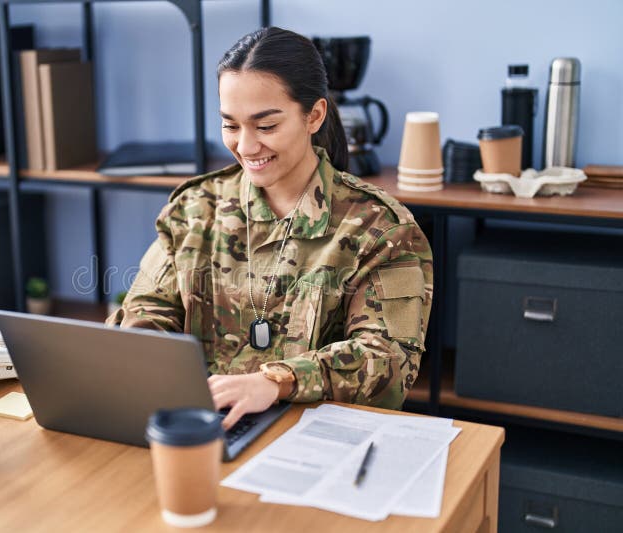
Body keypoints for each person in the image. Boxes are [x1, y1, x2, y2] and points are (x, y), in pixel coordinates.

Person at [107, 27, 433, 430]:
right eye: (231, 125)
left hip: (313, 437)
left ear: (313, 116)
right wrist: (140, 351)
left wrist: (278, 381)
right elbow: (147, 308)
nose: (245, 146)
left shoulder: (381, 229)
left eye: (266, 126)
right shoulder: (194, 209)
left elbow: (388, 363)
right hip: (205, 428)